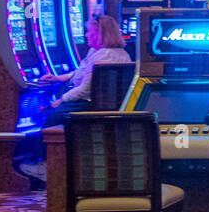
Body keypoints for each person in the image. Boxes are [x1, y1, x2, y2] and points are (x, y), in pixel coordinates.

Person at [20, 16, 133, 180]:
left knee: (53, 115)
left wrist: (61, 100)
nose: (86, 35)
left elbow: (85, 90)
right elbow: (81, 73)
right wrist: (60, 78)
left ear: (100, 34)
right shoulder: (115, 53)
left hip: (90, 104)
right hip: (107, 105)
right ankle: (54, 162)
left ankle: (45, 166)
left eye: (89, 32)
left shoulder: (103, 56)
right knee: (55, 111)